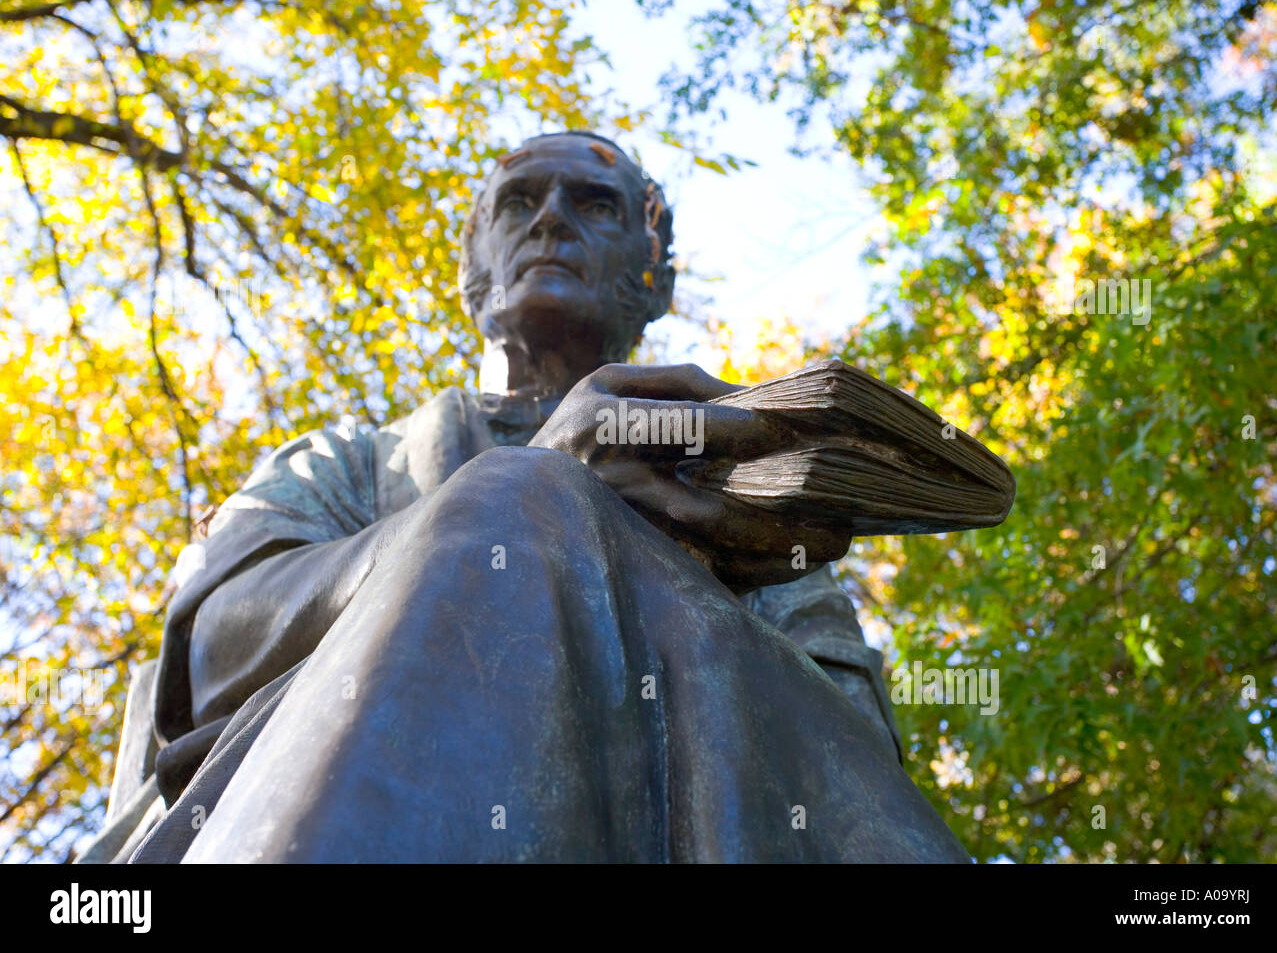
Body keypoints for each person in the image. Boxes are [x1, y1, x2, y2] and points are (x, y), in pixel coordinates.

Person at [84, 131, 969, 862]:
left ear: (652, 275)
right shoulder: (349, 463)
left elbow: (855, 769)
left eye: (594, 205)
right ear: (476, 271)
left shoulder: (738, 489)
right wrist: (519, 498)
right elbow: (205, 652)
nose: (550, 217)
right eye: (520, 202)